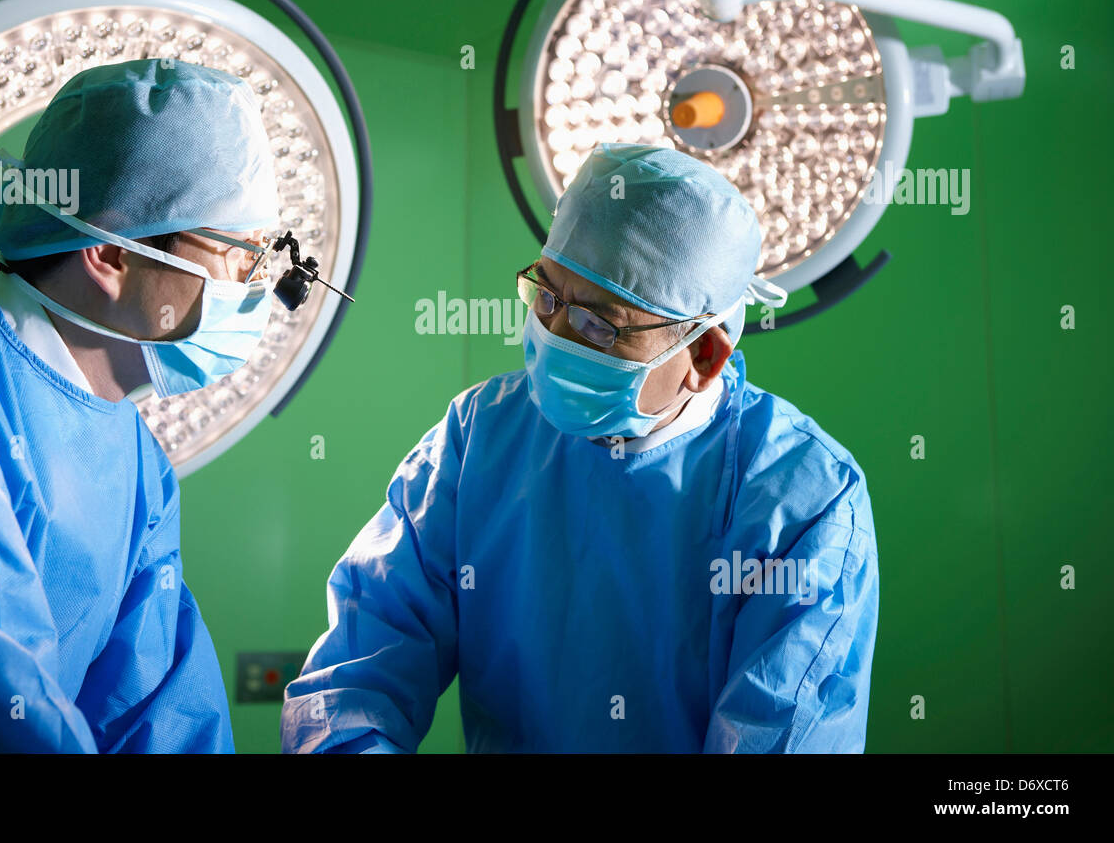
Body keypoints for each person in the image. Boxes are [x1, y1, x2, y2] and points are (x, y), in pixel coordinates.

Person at [282, 142, 879, 753]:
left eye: (598, 325)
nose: (554, 334)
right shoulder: (481, 436)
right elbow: (356, 681)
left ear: (704, 356)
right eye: (546, 296)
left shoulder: (802, 501)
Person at [0, 59, 278, 752]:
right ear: (110, 255)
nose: (259, 288)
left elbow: (157, 711)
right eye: (238, 254)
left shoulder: (134, 461)